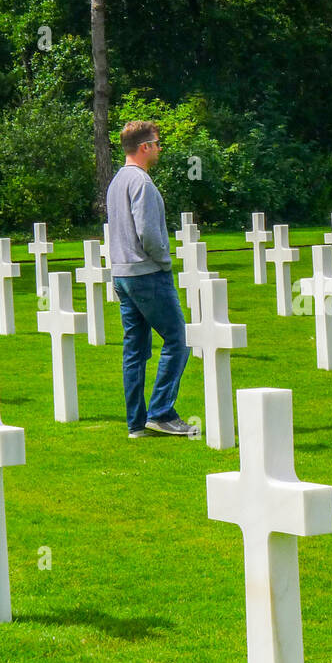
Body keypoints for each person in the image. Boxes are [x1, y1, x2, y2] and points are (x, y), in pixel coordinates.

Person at [105, 121, 196, 437]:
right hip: (147, 273)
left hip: (122, 274)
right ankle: (161, 412)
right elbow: (148, 233)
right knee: (179, 338)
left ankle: (136, 424)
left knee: (135, 349)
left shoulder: (117, 181)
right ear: (144, 147)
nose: (159, 148)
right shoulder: (141, 184)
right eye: (157, 143)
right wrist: (165, 261)